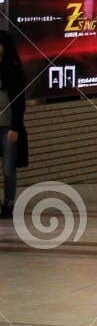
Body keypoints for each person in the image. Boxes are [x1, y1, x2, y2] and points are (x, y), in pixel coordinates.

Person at [0, 32, 28, 220]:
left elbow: (19, 102)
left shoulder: (14, 70)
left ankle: (8, 204)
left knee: (9, 168)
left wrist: (16, 127)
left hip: (8, 126)